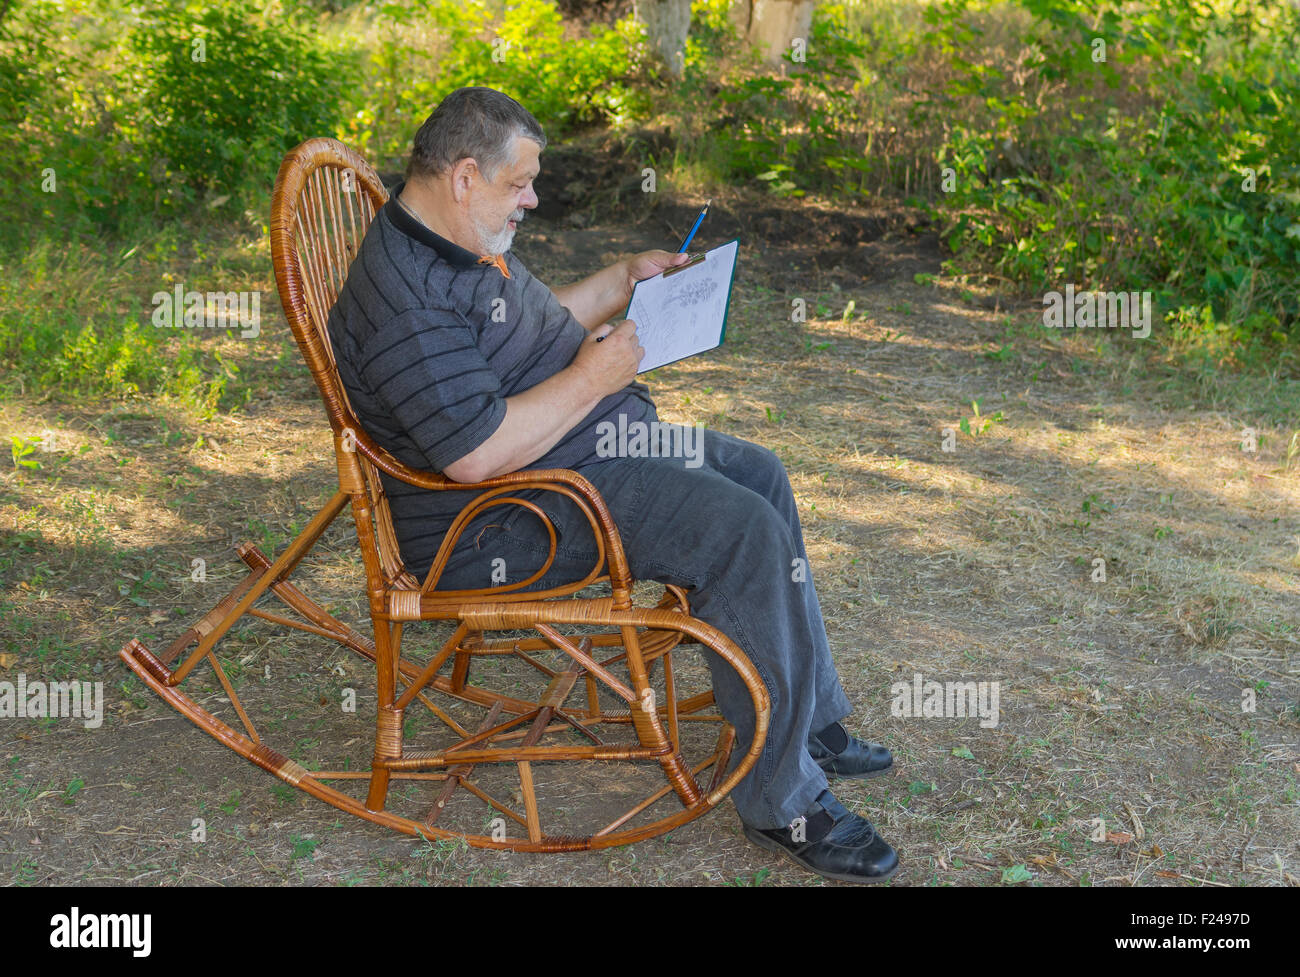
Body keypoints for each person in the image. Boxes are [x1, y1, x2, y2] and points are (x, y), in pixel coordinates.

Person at [326, 86, 900, 883]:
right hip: (502, 517)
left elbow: (527, 328)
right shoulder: (405, 299)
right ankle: (785, 801)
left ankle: (809, 723)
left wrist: (621, 279)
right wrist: (595, 379)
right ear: (464, 175)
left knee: (759, 474)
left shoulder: (457, 237)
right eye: (520, 182)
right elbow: (475, 455)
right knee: (741, 532)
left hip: (569, 456)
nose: (531, 199)